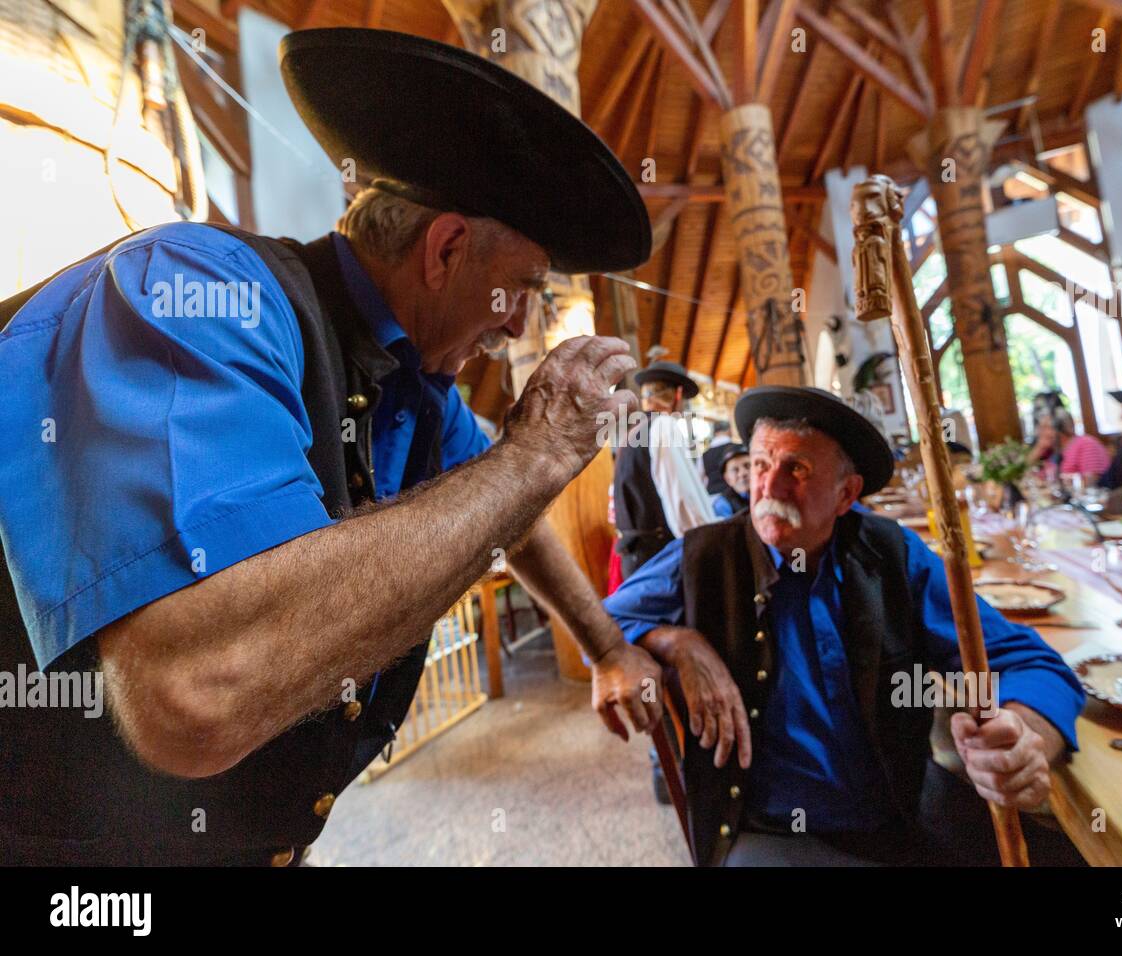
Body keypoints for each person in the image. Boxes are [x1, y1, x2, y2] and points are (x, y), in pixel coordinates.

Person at [0, 30, 663, 865]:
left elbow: (513, 516)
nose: (519, 325)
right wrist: (536, 453)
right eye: (523, 287)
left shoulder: (420, 389)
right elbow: (195, 694)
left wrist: (608, 648)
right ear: (447, 248)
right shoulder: (200, 289)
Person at [604, 386, 1084, 866]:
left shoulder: (891, 554)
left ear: (846, 494)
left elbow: (1029, 661)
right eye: (760, 465)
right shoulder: (705, 556)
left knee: (1072, 856)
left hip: (901, 806)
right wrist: (677, 641)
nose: (769, 489)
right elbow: (607, 622)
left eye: (796, 469)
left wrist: (1027, 736)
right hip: (770, 827)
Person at [611, 360, 715, 577]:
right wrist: (710, 544)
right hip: (659, 560)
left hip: (634, 560)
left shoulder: (632, 433)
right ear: (677, 394)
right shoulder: (663, 426)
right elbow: (682, 500)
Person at [1029, 408, 1112, 486]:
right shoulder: (1054, 450)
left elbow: (1091, 481)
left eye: (1045, 428)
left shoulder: (1086, 443)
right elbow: (1030, 475)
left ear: (1062, 428)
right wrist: (1039, 448)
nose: (1039, 432)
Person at [710, 444, 750, 518]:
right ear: (727, 479)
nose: (743, 473)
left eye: (747, 466)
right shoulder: (722, 505)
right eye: (735, 470)